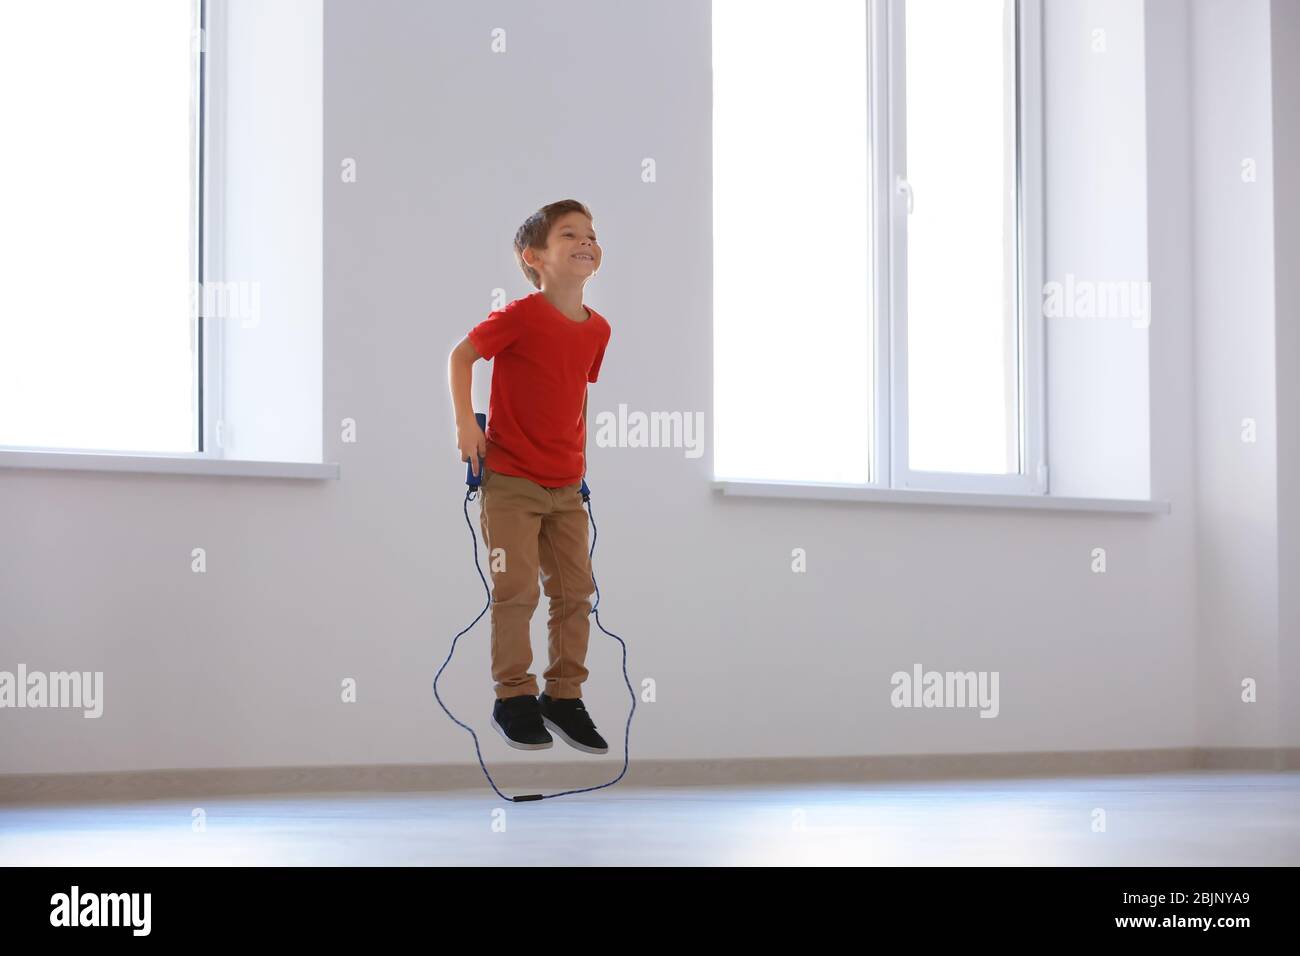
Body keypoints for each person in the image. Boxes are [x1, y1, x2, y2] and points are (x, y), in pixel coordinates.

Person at [446, 199, 612, 754]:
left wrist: (578, 466)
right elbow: (462, 356)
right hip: (511, 480)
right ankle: (513, 696)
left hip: (566, 486)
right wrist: (467, 425)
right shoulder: (520, 315)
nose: (586, 241)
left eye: (591, 234)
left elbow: (573, 398)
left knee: (575, 591)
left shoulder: (598, 330)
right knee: (514, 588)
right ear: (535, 257)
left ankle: (563, 696)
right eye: (570, 234)